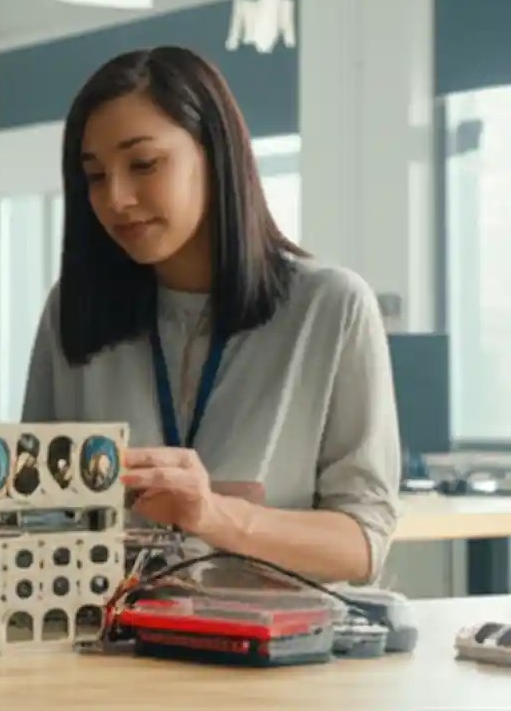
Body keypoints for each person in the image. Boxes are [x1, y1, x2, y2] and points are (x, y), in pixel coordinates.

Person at [21, 47, 400, 584]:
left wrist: (213, 516)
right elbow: (32, 517)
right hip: (110, 653)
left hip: (274, 659)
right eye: (96, 176)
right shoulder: (73, 309)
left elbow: (363, 545)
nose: (117, 198)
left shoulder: (331, 307)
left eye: (144, 164)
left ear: (215, 155)